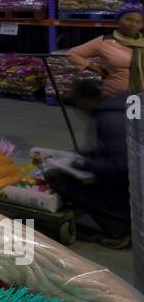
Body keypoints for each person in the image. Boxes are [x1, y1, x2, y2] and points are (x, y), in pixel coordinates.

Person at [41, 78, 131, 247]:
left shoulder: (108, 120)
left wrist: (86, 165)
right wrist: (86, 156)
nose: (79, 108)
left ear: (86, 100)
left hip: (129, 188)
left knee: (56, 177)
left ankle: (119, 229)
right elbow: (114, 150)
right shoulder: (119, 108)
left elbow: (121, 166)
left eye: (78, 102)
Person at [66, 0, 144, 98]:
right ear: (118, 20)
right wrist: (98, 70)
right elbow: (72, 54)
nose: (133, 24)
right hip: (115, 96)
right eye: (128, 19)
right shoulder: (104, 41)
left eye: (138, 22)